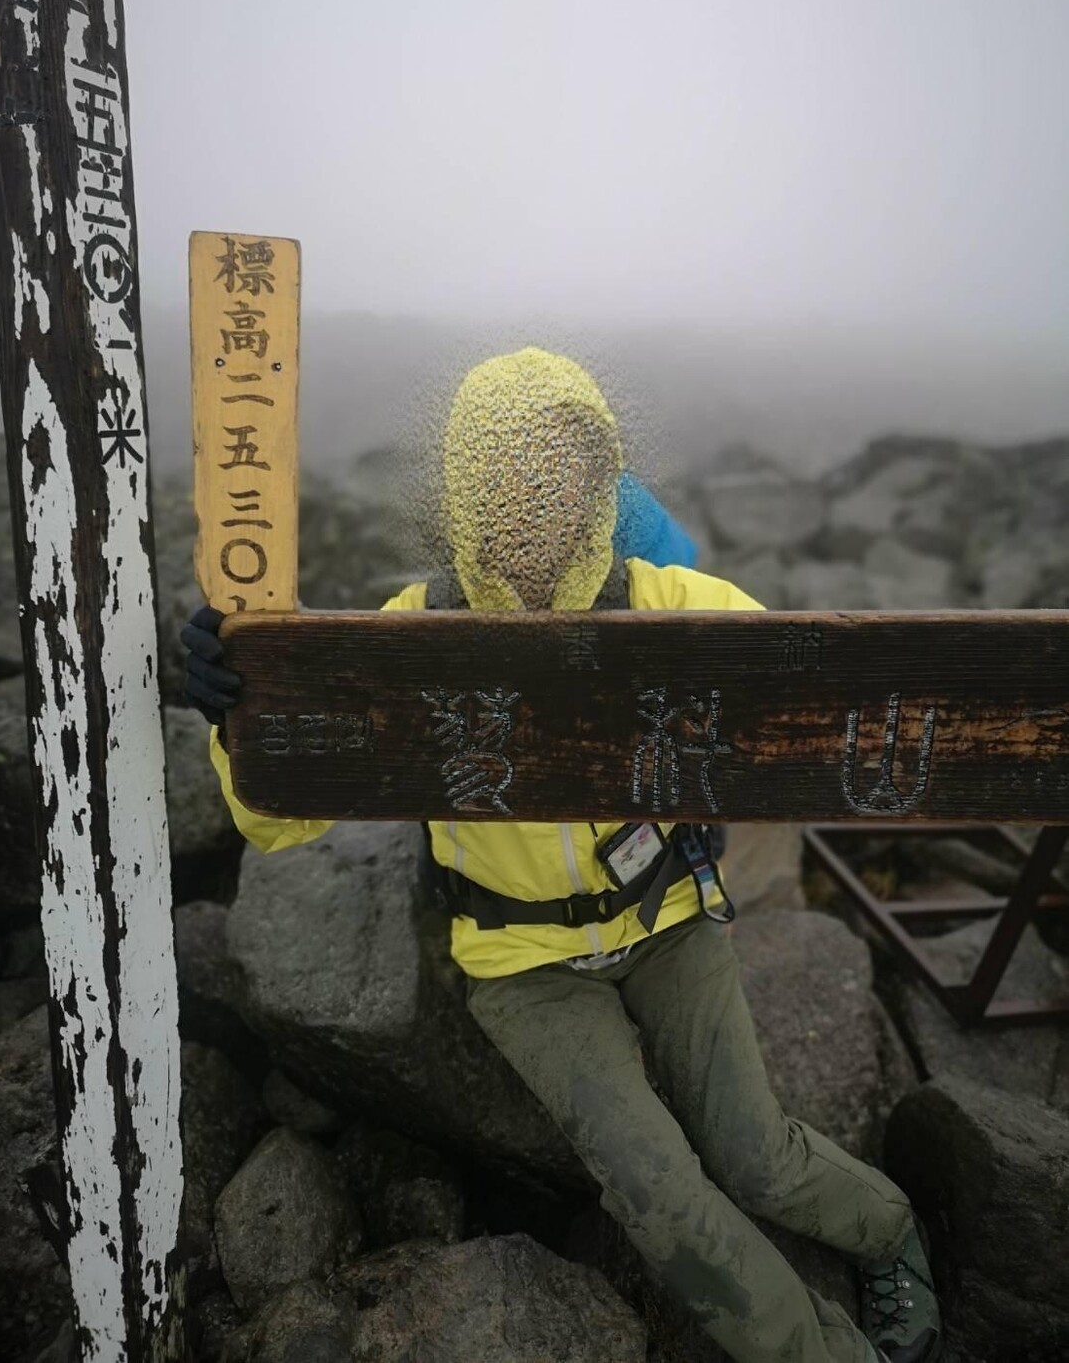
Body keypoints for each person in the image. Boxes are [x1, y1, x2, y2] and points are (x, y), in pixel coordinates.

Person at [183, 347, 941, 1363]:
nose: (533, 500)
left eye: (563, 470)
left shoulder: (667, 604)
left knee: (752, 1155)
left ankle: (888, 1231)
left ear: (598, 481)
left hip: (667, 916)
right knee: (654, 1189)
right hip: (524, 965)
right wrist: (242, 711)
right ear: (463, 487)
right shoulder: (410, 635)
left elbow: (804, 698)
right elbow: (280, 824)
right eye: (506, 473)